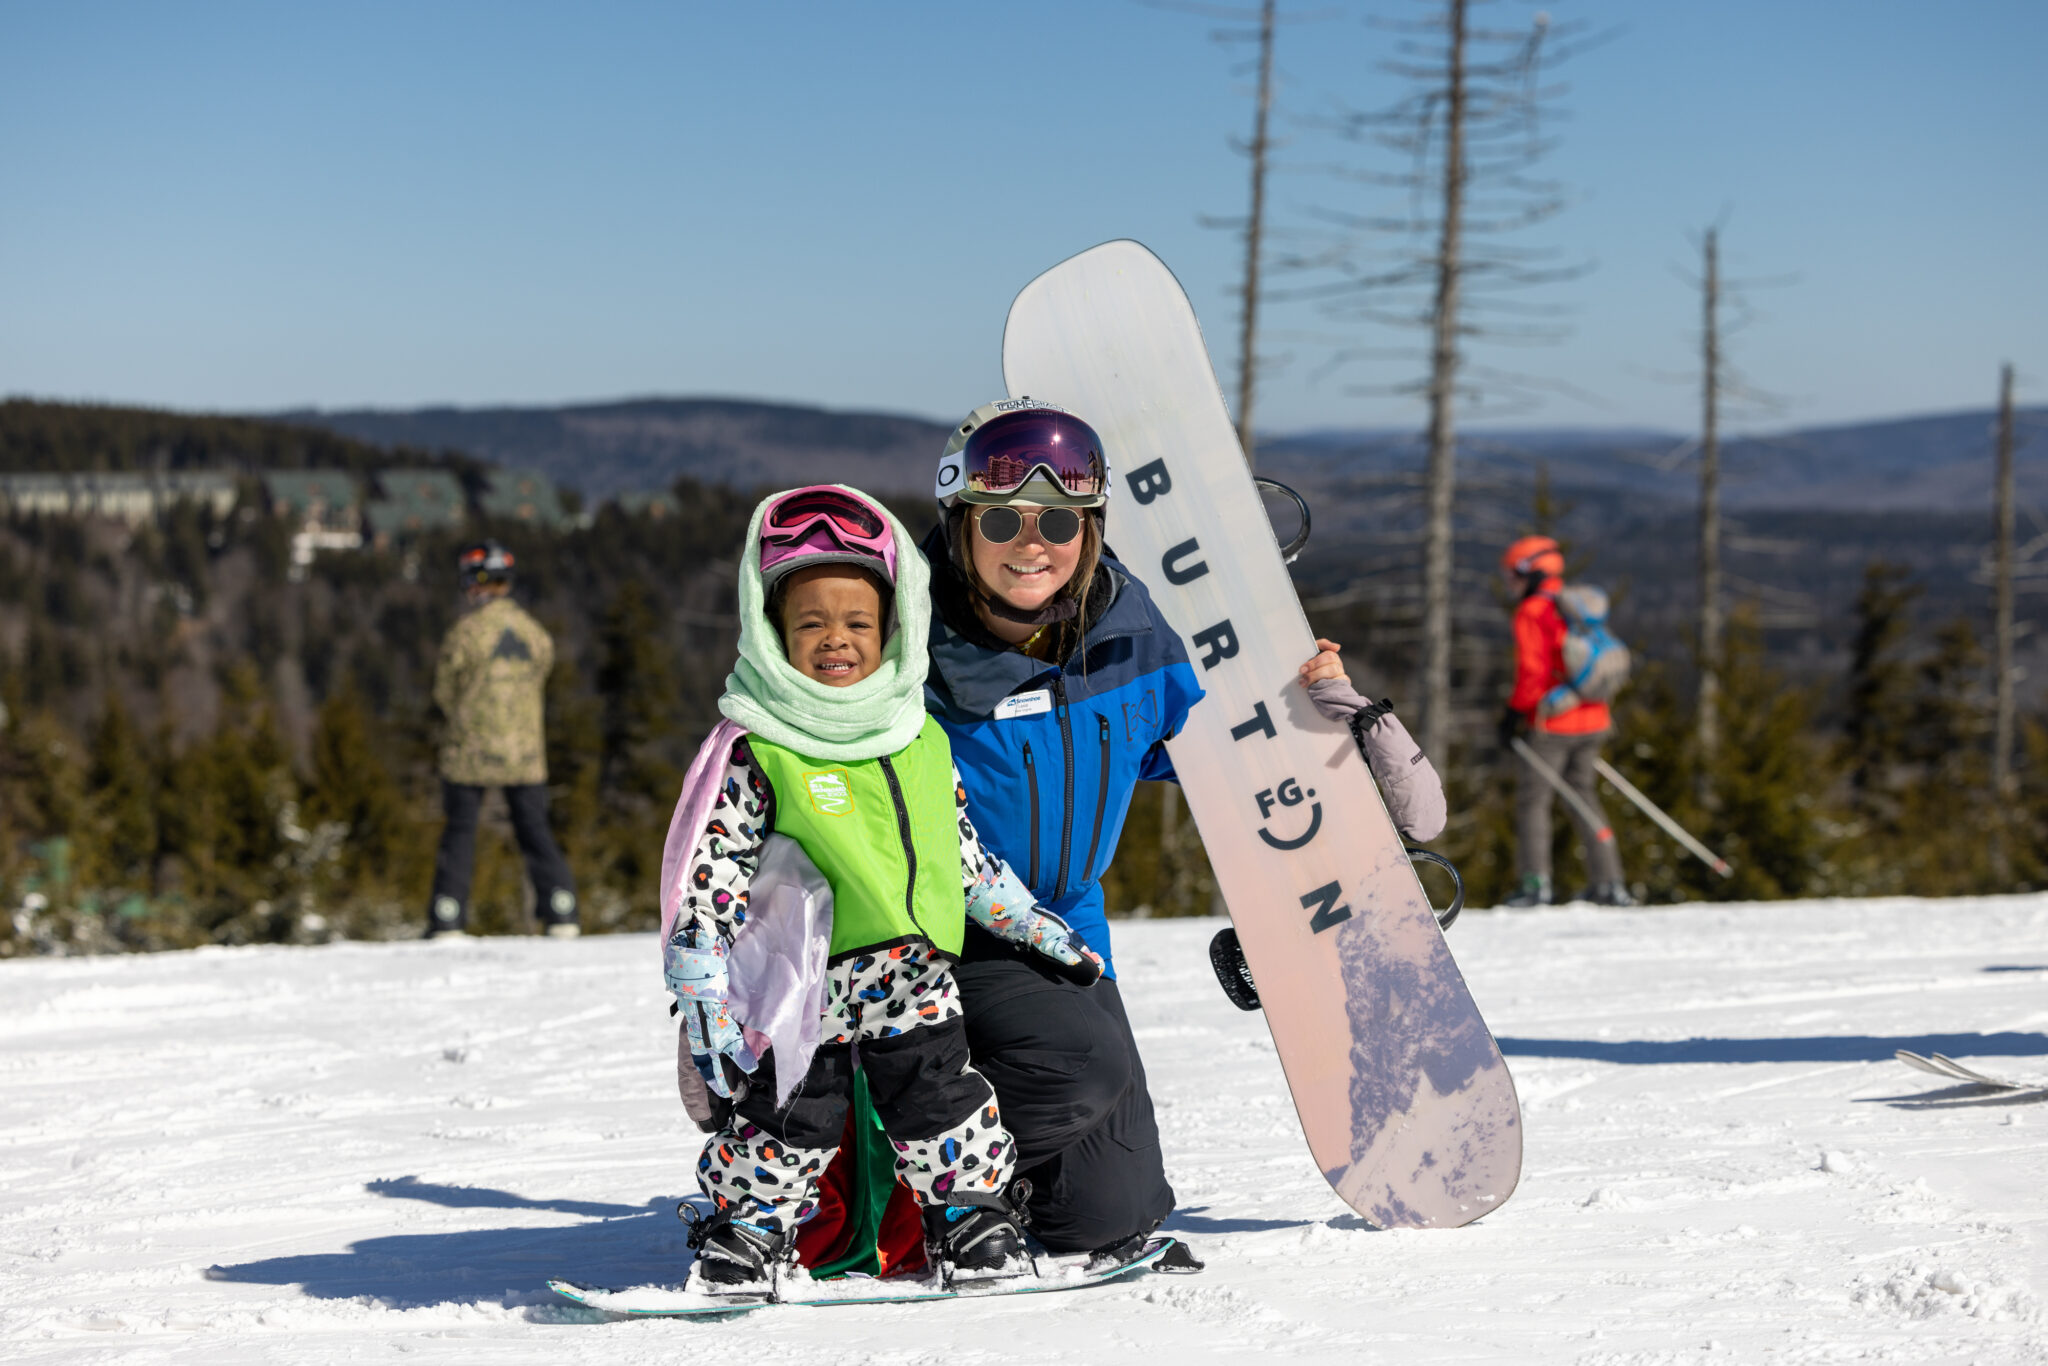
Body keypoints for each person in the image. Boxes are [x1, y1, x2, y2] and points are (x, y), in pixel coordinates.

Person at [915, 398, 1448, 1260]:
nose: (1032, 541)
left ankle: (975, 1188)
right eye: (1004, 518)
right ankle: (885, 1165)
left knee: (1107, 1215)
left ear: (1090, 529)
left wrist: (1322, 725)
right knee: (1079, 1067)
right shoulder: (906, 645)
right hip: (936, 932)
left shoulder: (1133, 637)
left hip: (1067, 931)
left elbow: (1214, 760)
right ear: (962, 522)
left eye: (1059, 518)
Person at [660, 484, 1103, 1291]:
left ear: (896, 627)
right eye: (810, 625)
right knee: (787, 1118)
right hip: (803, 984)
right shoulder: (763, 747)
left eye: (858, 623)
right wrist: (698, 958)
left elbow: (960, 856)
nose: (837, 641)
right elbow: (715, 863)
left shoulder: (918, 736)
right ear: (770, 635)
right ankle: (750, 1231)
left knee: (947, 1106)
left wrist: (1030, 924)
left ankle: (970, 1220)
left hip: (914, 976)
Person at [425, 539, 578, 938]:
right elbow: (543, 673)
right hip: (525, 752)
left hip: (469, 750)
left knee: (460, 830)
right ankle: (561, 909)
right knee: (534, 829)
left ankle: (448, 915)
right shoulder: (534, 634)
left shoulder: (464, 633)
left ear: (474, 583)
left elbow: (444, 691)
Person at [1495, 534, 1631, 907]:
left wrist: (1513, 714)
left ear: (1529, 571)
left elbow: (1532, 673)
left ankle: (1535, 884)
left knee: (1534, 802)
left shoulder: (1533, 611)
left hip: (1554, 724)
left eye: (1513, 575)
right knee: (1584, 796)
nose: (1511, 584)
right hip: (1595, 717)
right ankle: (1610, 882)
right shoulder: (1578, 605)